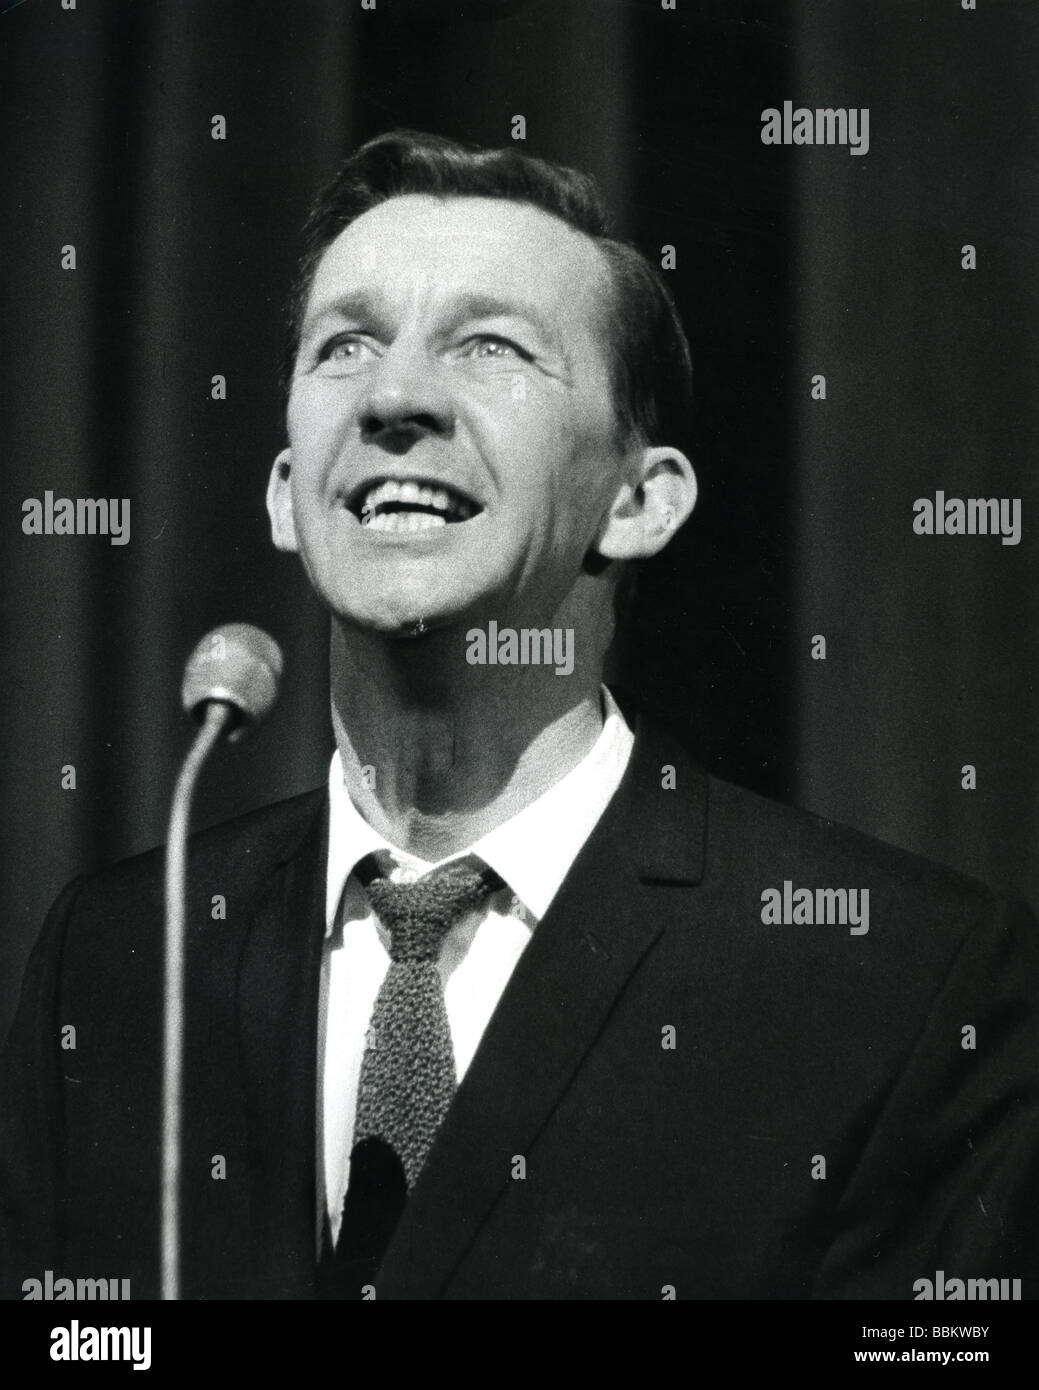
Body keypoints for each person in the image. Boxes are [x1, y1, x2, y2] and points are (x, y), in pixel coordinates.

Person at [2, 130, 1038, 1302]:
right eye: (347, 344)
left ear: (640, 502)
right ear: (288, 495)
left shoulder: (901, 977)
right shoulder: (119, 955)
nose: (395, 397)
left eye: (490, 346)